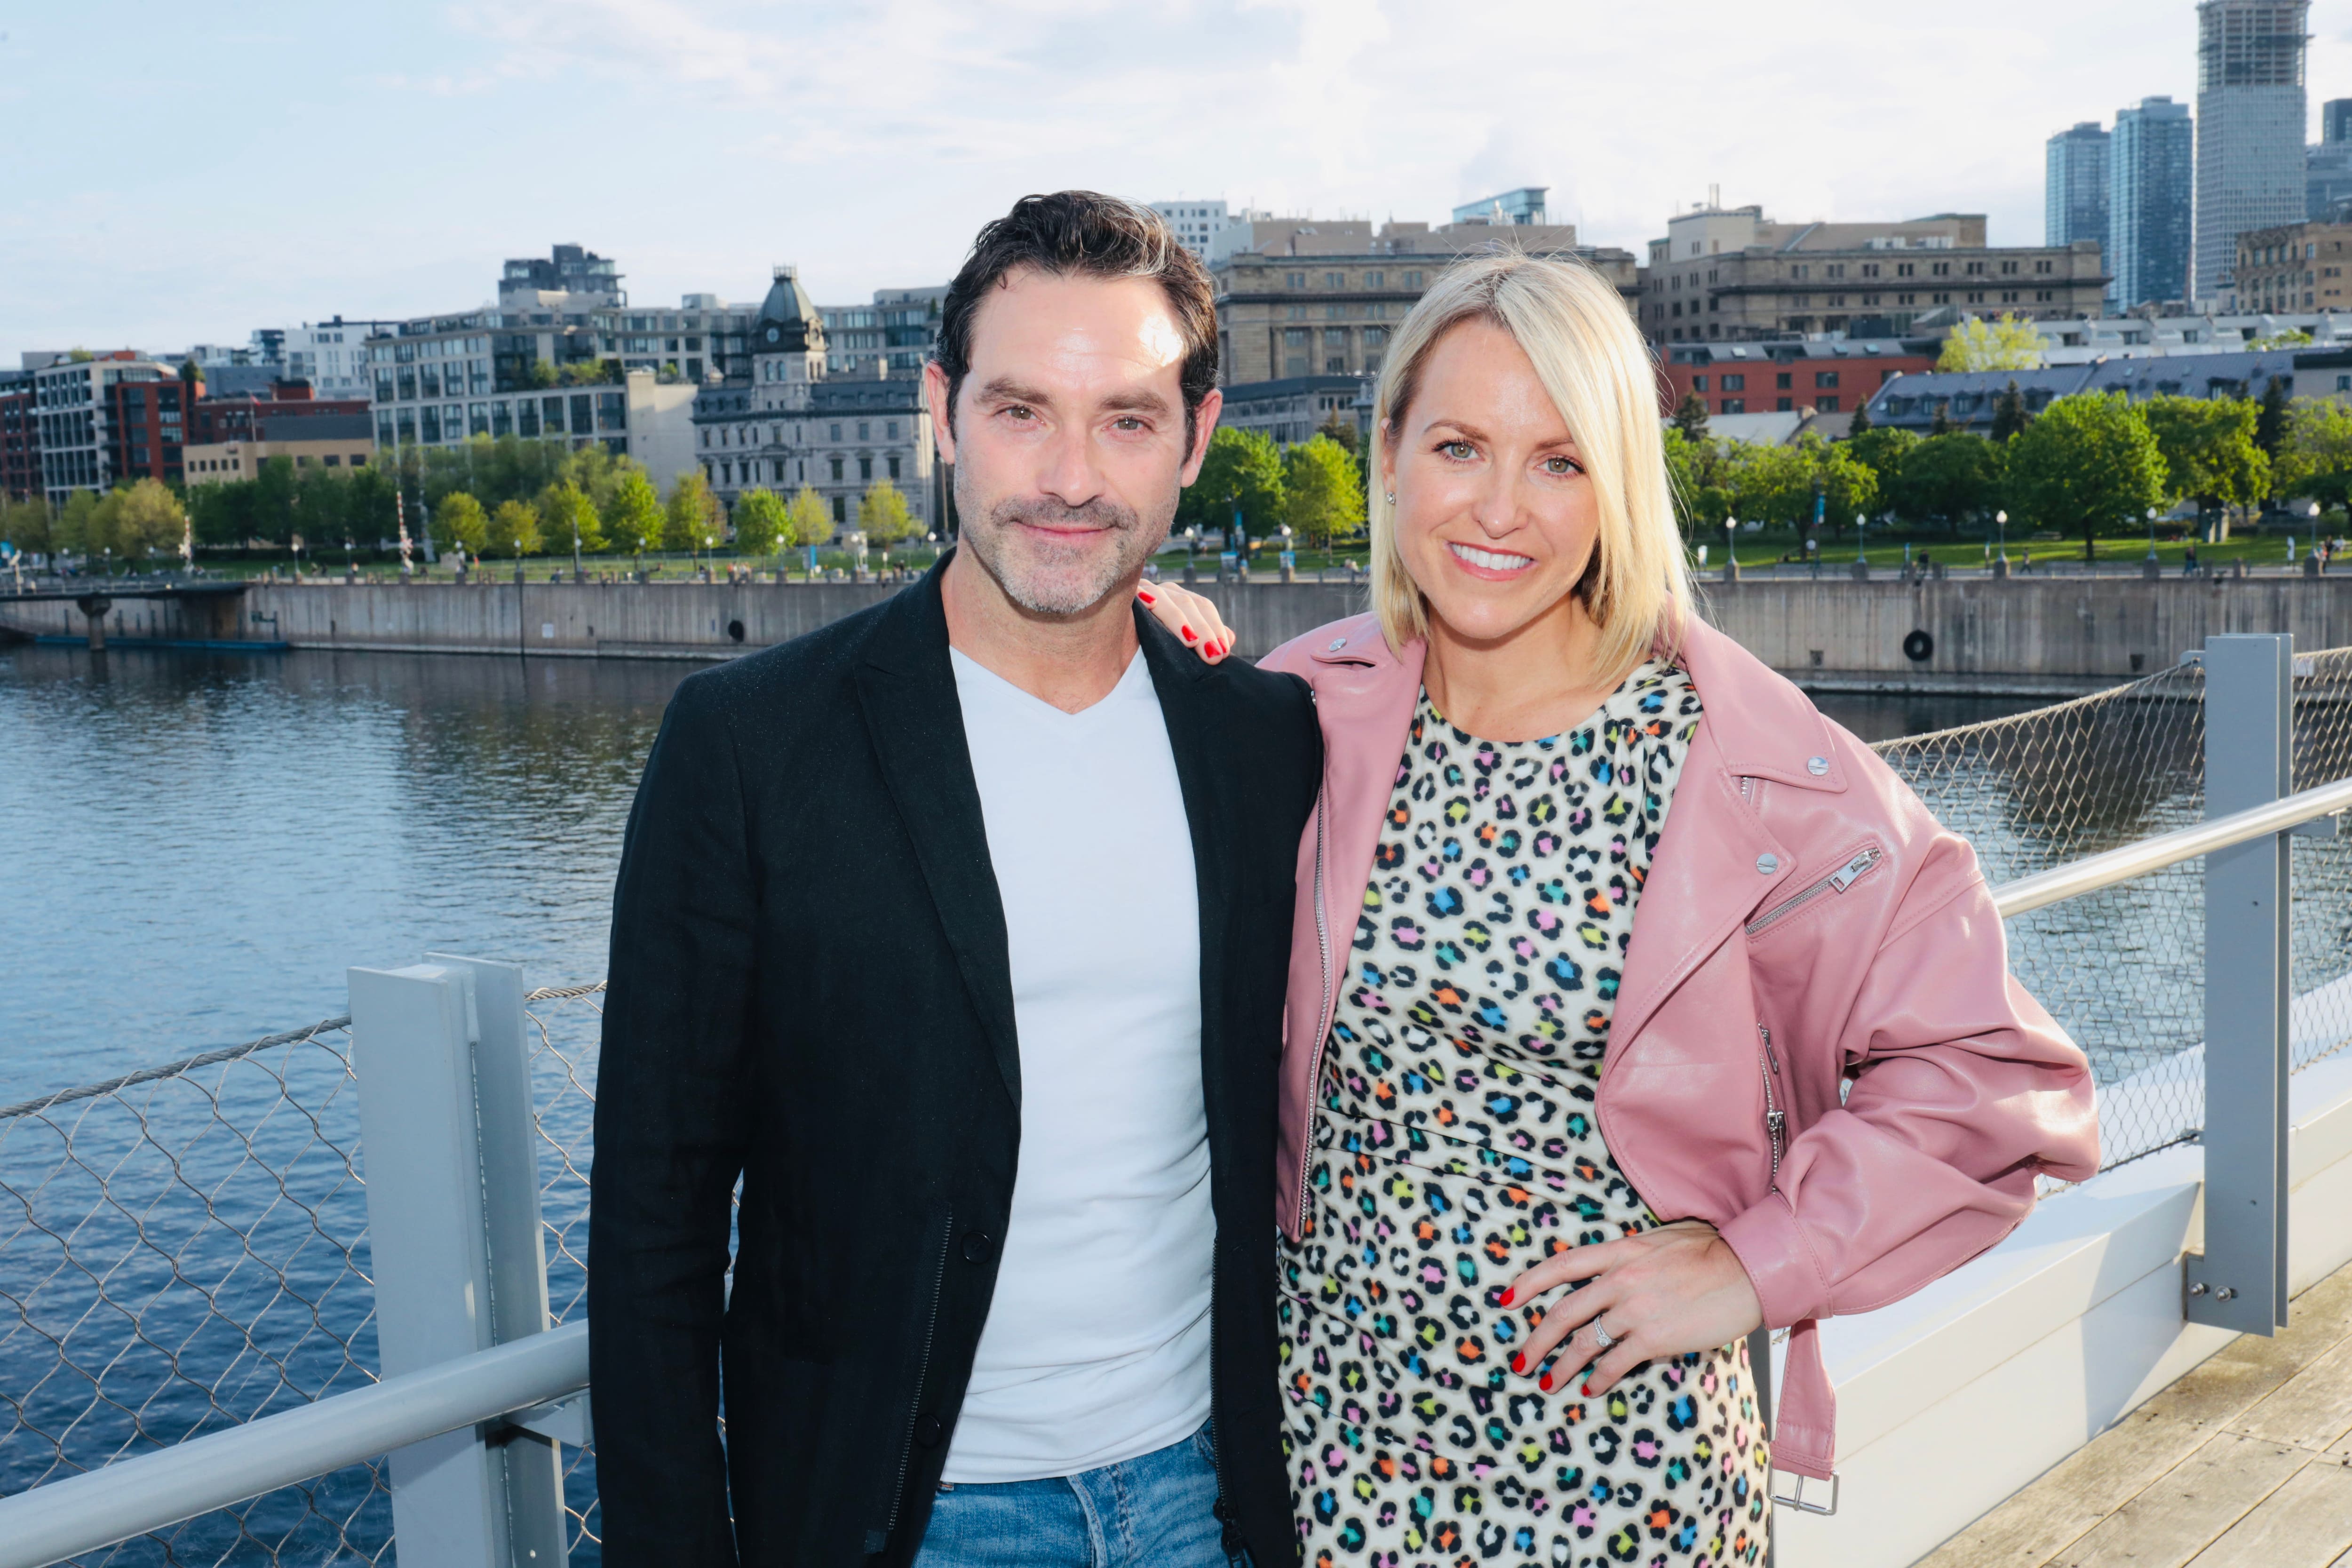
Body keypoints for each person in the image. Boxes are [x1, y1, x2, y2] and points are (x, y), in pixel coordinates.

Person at [1141, 250, 2097, 1566]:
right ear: (1390, 459)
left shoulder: (1753, 764)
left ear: (1622, 485)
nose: (1501, 507)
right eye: (1461, 445)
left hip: (1621, 1476)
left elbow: (1995, 1081)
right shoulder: (1302, 709)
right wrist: (1142, 656)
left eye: (1561, 460)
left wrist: (1753, 1266)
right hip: (1331, 1458)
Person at [589, 192, 1320, 1568]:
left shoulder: (1262, 738)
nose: (1069, 476)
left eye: (1129, 419)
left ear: (1197, 441)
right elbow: (654, 1221)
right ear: (943, 409)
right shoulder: (749, 746)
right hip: (913, 1521)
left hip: (1204, 1501)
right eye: (1021, 410)